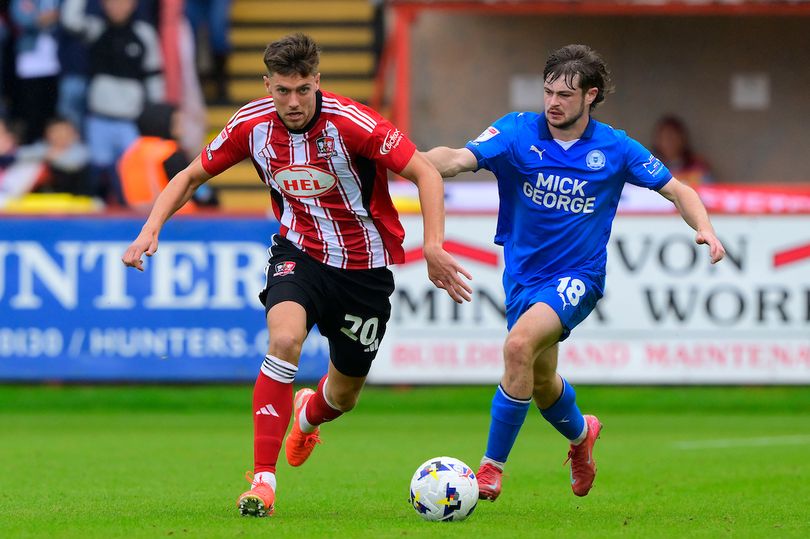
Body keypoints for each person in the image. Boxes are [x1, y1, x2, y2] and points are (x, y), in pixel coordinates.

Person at [121, 33, 472, 517]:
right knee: (284, 340)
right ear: (267, 85)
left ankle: (308, 416)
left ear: (317, 82)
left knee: (344, 396)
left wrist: (432, 246)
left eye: (302, 89)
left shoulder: (355, 123)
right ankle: (262, 481)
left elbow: (425, 173)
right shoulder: (251, 125)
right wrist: (150, 230)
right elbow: (189, 176)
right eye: (282, 90)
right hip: (299, 252)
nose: (292, 102)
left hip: (364, 269)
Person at [424, 44, 725, 501]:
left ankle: (490, 468)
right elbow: (457, 158)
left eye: (565, 94)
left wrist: (704, 228)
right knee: (541, 383)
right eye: (547, 91)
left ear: (591, 96)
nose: (553, 102)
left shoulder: (616, 148)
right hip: (523, 279)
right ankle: (582, 435)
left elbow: (677, 189)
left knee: (518, 345)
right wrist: (410, 161)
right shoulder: (516, 132)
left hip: (578, 277)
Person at [62, 0, 165, 204]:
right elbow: (70, 20)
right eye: (112, 2)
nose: (117, 6)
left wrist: (156, 113)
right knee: (98, 174)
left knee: (132, 175)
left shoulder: (144, 33)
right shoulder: (96, 28)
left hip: (130, 120)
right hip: (99, 118)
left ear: (133, 5)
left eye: (122, 2)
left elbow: (154, 74)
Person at [652, 114, 714, 188]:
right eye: (665, 138)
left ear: (682, 139)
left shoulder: (698, 166)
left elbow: (709, 191)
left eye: (672, 137)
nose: (669, 143)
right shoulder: (651, 167)